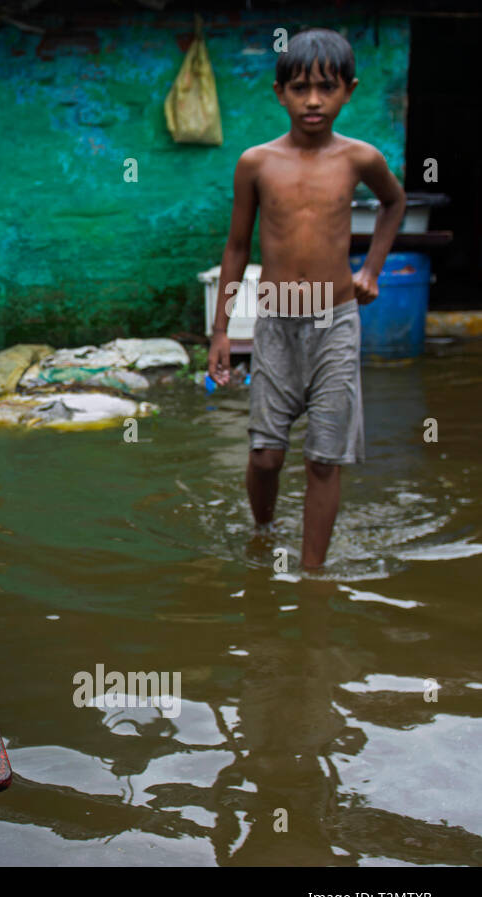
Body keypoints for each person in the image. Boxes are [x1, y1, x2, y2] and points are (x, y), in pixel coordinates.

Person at [208, 28, 405, 570]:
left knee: (324, 457)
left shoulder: (359, 159)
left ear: (349, 90)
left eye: (326, 87)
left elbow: (394, 203)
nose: (313, 100)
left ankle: (313, 577)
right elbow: (236, 246)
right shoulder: (257, 163)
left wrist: (372, 269)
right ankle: (263, 534)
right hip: (275, 321)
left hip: (336, 320)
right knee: (266, 455)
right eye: (299, 88)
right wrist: (221, 331)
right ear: (279, 93)